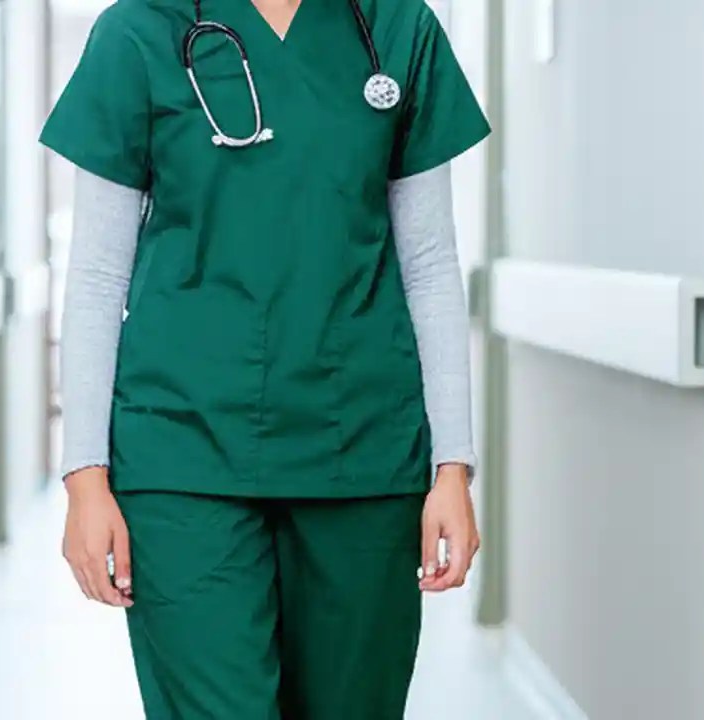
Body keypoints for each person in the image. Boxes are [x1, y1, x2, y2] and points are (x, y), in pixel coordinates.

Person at [40, 0, 489, 715]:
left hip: (362, 449)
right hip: (183, 452)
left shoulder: (397, 27)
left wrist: (453, 468)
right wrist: (85, 479)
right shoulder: (139, 31)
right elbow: (97, 276)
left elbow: (430, 265)